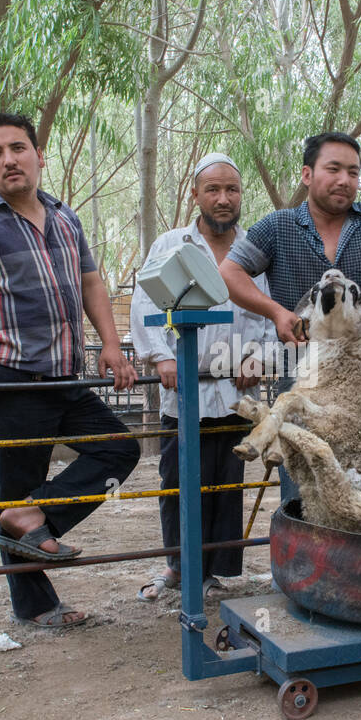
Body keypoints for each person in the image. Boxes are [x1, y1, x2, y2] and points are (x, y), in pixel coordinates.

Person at [0, 113, 139, 630]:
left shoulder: (66, 217)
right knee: (15, 485)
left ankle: (37, 515)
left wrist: (110, 345)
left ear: (39, 155)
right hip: (8, 377)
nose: (8, 160)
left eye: (17, 148)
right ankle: (36, 606)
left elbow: (91, 282)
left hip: (67, 375)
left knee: (120, 448)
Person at [219, 132, 361, 502]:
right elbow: (230, 273)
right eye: (333, 169)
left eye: (352, 172)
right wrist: (276, 313)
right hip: (302, 372)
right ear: (307, 174)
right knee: (303, 486)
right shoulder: (278, 226)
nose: (344, 180)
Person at [130, 154, 269, 601]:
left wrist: (259, 357)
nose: (223, 199)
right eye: (213, 189)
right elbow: (146, 304)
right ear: (196, 195)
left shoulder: (256, 249)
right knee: (178, 478)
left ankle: (215, 569)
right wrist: (160, 357)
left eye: (232, 189)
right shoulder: (171, 244)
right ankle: (177, 565)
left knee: (226, 480)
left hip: (235, 390)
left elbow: (270, 312)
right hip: (183, 388)